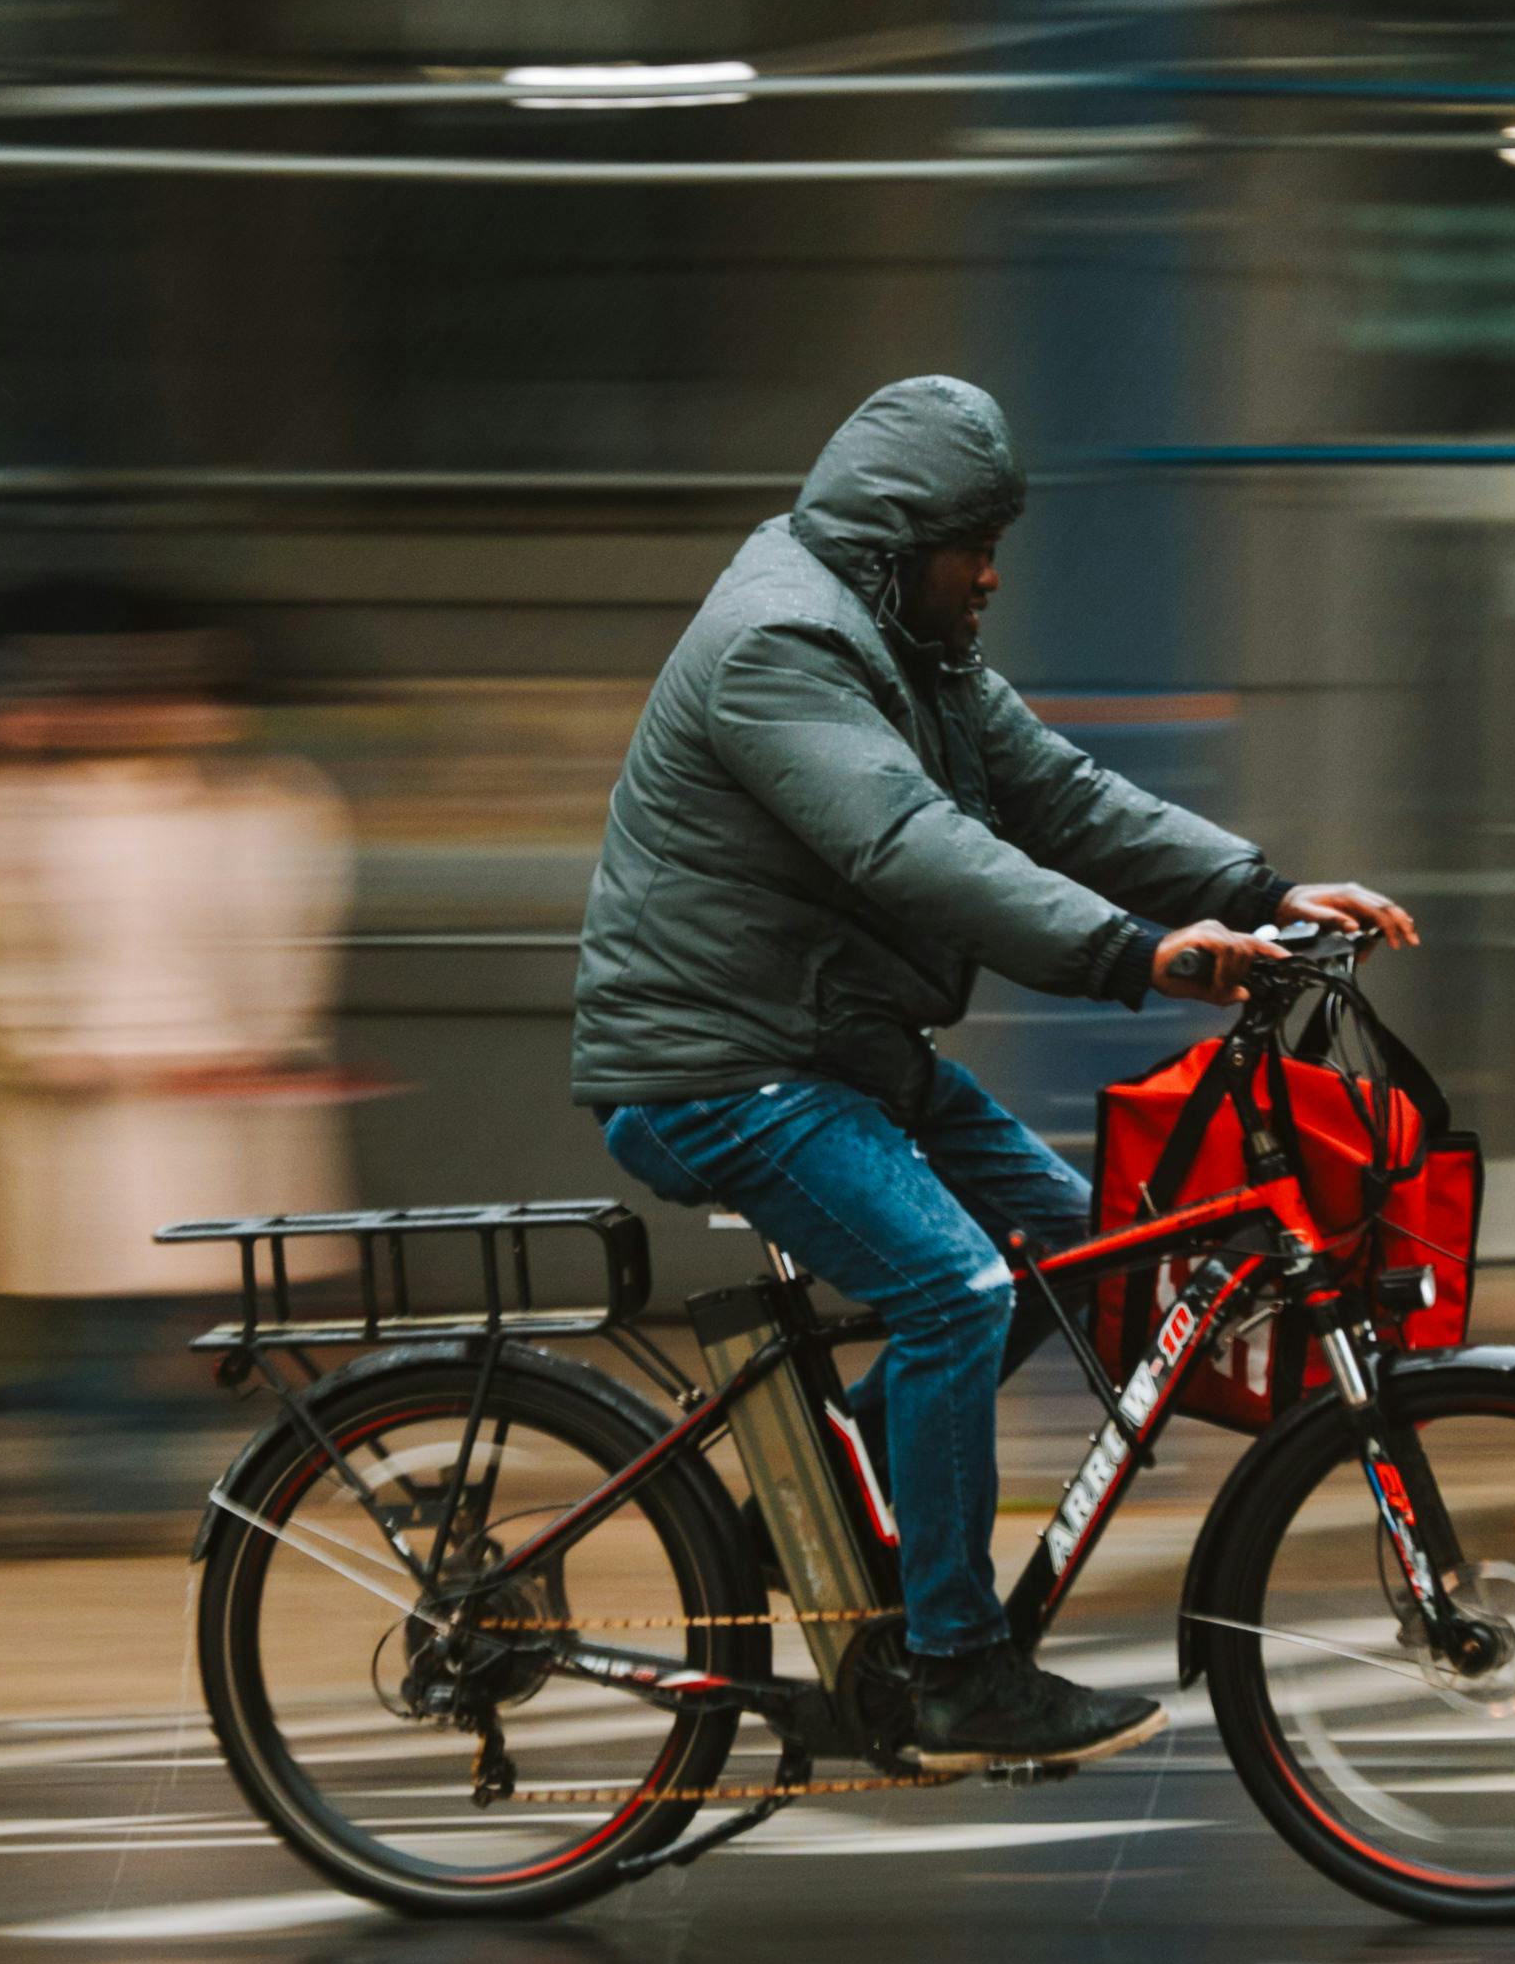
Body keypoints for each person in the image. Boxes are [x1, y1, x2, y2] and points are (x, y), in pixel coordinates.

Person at [575, 374, 1415, 1768]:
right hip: (717, 1063)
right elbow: (914, 845)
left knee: (1082, 1251)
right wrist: (1141, 958)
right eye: (976, 544)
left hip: (831, 1046)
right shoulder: (779, 647)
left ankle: (817, 1512)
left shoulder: (915, 646)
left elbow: (1061, 797)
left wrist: (1263, 889)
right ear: (905, 547)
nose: (994, 572)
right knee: (959, 1289)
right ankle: (959, 1667)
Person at [0, 587, 355, 1528]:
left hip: (189, 1104)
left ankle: (135, 1485)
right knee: (101, 1312)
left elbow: (288, 938)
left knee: (176, 1303)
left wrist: (257, 1040)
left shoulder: (262, 804)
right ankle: (91, 1484)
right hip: (87, 1108)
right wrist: (41, 1045)